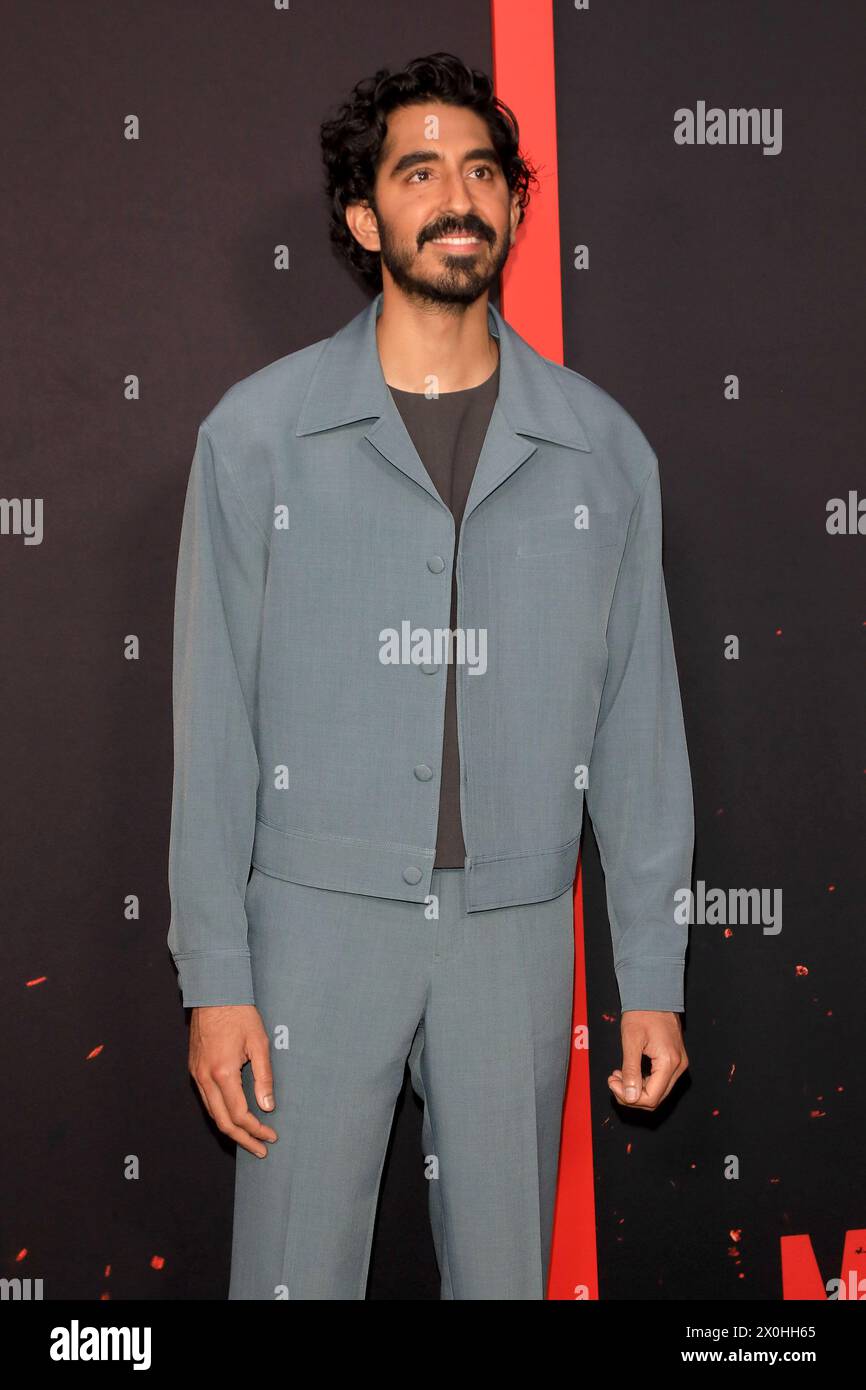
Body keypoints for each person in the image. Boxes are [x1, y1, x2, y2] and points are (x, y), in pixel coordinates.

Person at [167, 51, 693, 1301]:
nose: (455, 196)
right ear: (364, 215)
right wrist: (218, 981)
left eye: (480, 171)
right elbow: (212, 730)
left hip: (513, 946)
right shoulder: (254, 439)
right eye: (418, 171)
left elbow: (638, 734)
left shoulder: (603, 454)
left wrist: (653, 979)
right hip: (308, 933)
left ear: (512, 207)